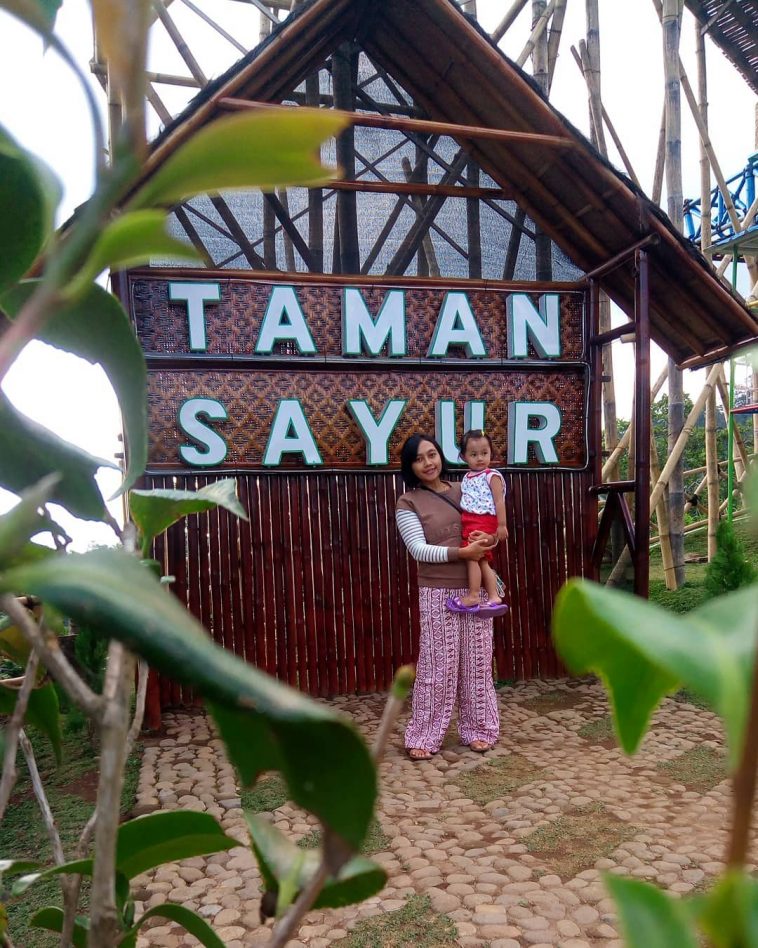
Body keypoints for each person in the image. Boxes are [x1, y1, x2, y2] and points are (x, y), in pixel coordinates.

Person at [395, 433, 504, 760]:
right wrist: (462, 552)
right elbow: (418, 549)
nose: (428, 463)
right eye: (419, 458)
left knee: (478, 663)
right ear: (410, 466)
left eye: (432, 454)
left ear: (441, 456)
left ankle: (481, 730)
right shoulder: (408, 502)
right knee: (436, 666)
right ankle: (425, 736)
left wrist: (488, 541)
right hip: (437, 589)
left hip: (477, 591)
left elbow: (491, 526)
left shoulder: (466, 487)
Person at [446, 429, 508, 615]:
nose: (480, 458)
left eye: (484, 453)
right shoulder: (467, 478)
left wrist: (501, 525)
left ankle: (473, 595)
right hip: (471, 521)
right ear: (464, 457)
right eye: (473, 454)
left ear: (491, 453)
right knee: (482, 561)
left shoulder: (492, 475)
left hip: (483, 521)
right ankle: (493, 596)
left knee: (472, 557)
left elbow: (499, 501)